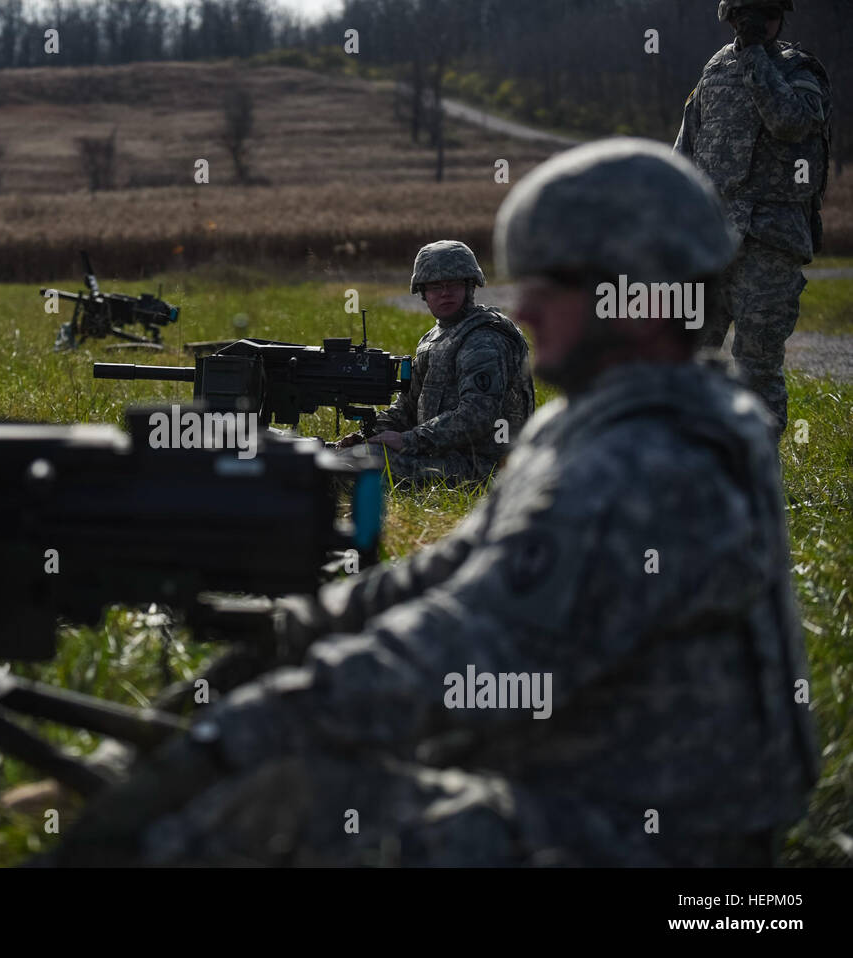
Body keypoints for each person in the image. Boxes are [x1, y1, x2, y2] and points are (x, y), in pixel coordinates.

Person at [51, 138, 818, 867]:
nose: (526, 311)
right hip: (597, 784)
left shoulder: (646, 464)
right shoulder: (621, 419)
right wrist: (294, 629)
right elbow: (447, 569)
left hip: (651, 838)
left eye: (550, 288)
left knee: (273, 795)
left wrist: (230, 737)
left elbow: (450, 650)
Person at [674, 0, 832, 436]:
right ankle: (687, 466)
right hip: (709, 240)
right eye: (746, 14)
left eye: (767, 13)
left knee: (757, 366)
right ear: (729, 17)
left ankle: (758, 478)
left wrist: (757, 57)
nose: (755, 23)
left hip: (770, 241)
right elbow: (687, 145)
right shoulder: (715, 68)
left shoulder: (800, 71)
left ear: (781, 18)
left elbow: (790, 122)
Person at [336, 240, 534, 486]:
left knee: (355, 466)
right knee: (336, 457)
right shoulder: (434, 338)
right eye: (435, 286)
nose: (445, 292)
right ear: (423, 292)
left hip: (485, 467)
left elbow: (477, 414)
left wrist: (410, 441)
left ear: (470, 285)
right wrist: (366, 435)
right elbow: (407, 408)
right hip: (443, 454)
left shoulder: (484, 340)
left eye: (453, 283)